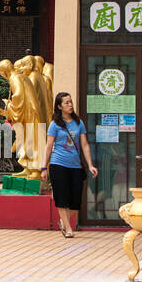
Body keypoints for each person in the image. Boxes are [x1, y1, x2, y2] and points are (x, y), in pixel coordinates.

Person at [41, 92, 98, 238]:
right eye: (66, 103)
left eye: (70, 102)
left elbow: (85, 145)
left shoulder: (79, 123)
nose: (70, 105)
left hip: (75, 165)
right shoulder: (55, 125)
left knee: (75, 202)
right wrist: (43, 167)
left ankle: (63, 221)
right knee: (62, 198)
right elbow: (48, 146)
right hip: (58, 164)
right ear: (59, 106)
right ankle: (68, 228)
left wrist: (90, 165)